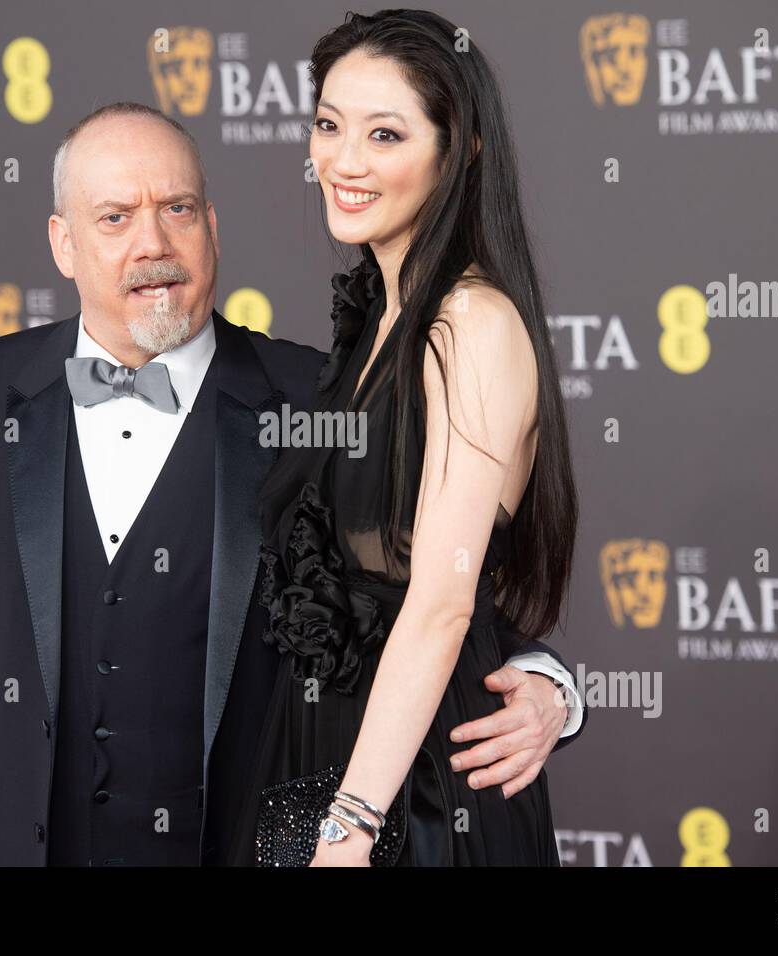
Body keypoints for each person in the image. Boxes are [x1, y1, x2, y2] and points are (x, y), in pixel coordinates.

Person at [0, 98, 584, 867]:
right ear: (63, 243)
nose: (154, 243)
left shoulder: (318, 397)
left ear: (212, 227)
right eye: (114, 217)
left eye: (176, 208)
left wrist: (543, 681)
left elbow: (420, 584)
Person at [227, 10, 580, 866]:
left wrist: (349, 828)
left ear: (459, 151)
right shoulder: (371, 323)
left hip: (412, 795)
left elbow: (441, 603)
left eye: (385, 133)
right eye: (328, 124)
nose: (344, 161)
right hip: (318, 765)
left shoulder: (473, 324)